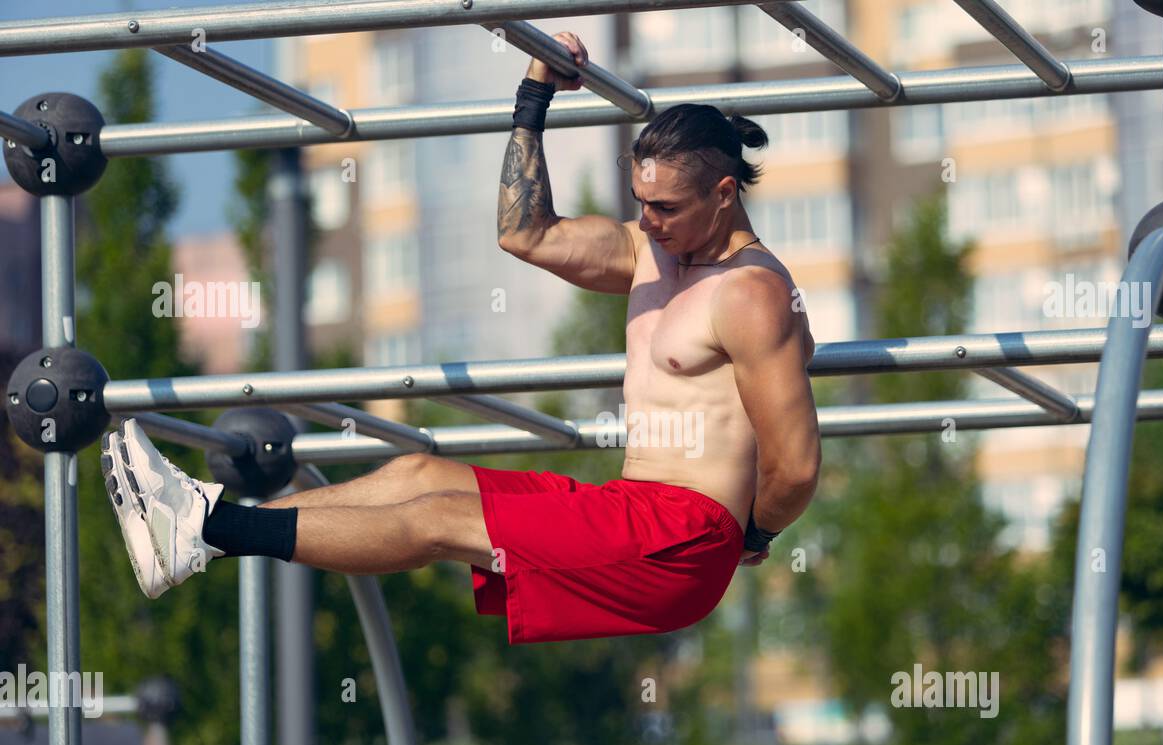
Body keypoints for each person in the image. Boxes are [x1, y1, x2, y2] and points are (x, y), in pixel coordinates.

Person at [102, 31, 821, 645]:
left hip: (684, 544)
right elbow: (524, 231)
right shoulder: (648, 253)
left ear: (725, 195)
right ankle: (198, 529)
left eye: (666, 207)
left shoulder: (751, 294)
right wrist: (534, 97)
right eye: (641, 202)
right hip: (632, 511)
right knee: (420, 474)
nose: (650, 221)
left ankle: (207, 528)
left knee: (439, 521)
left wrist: (751, 539)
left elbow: (794, 466)